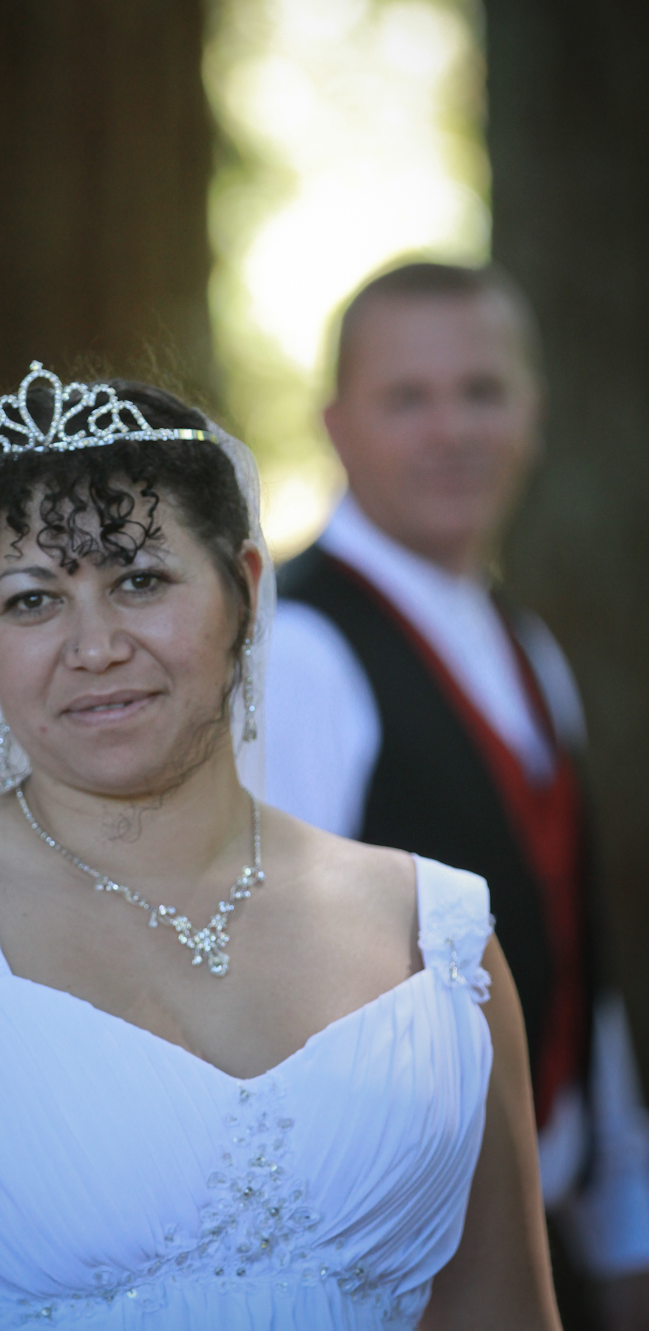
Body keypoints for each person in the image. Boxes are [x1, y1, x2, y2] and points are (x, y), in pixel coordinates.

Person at [0, 365, 559, 1331]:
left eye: (139, 581)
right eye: (32, 600)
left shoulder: (435, 942)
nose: (93, 646)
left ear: (245, 586)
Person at [266, 262, 649, 1330]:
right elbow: (266, 983)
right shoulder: (298, 651)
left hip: (552, 1245)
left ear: (532, 410)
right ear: (338, 427)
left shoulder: (527, 644)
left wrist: (626, 1228)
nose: (452, 431)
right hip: (394, 1267)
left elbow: (573, 938)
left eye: (482, 391)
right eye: (408, 399)